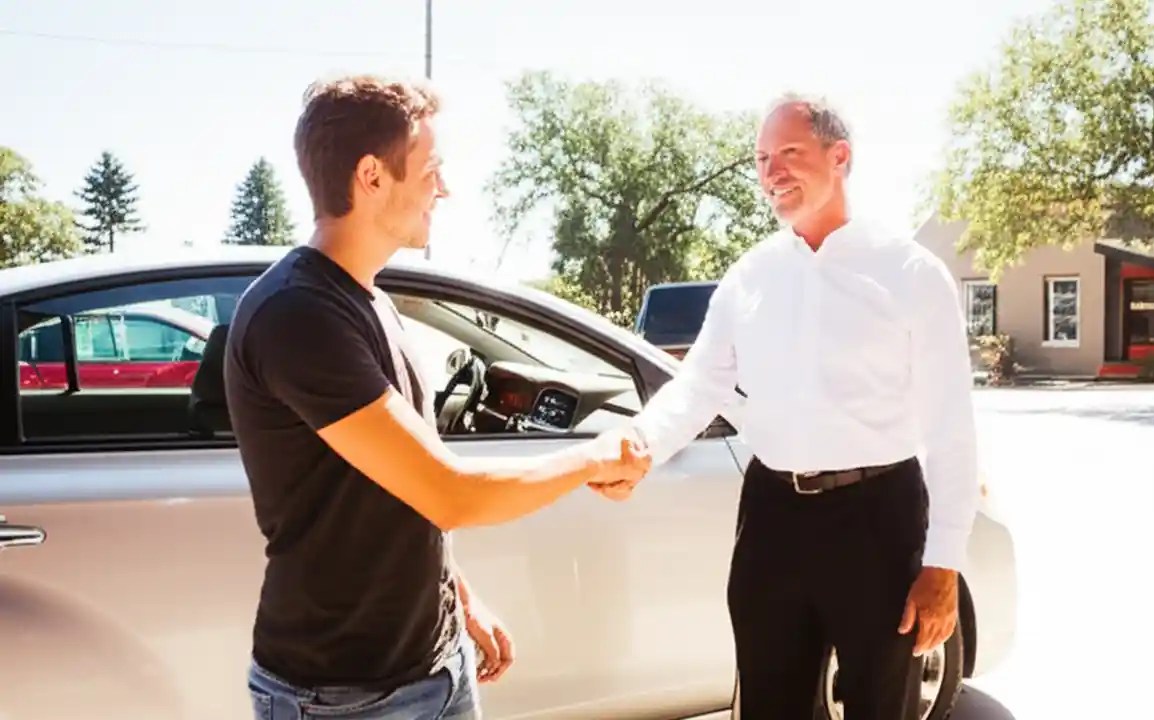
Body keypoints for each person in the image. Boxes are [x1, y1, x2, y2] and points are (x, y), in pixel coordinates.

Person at [224, 74, 649, 720]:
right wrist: (591, 460)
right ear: (371, 175)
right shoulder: (297, 316)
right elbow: (449, 491)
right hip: (343, 698)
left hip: (434, 668)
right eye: (430, 170)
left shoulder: (371, 301)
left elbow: (400, 491)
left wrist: (457, 597)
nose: (443, 189)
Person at [596, 95, 980, 718]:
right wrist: (641, 446)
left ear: (841, 157)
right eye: (762, 158)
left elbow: (950, 430)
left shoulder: (911, 273)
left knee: (882, 707)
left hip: (878, 520)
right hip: (772, 517)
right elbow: (701, 384)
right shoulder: (751, 276)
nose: (772, 171)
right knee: (770, 703)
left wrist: (944, 564)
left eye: (790, 154)